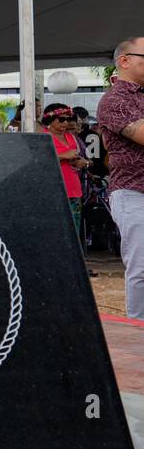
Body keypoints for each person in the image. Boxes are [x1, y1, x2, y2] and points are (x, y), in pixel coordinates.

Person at [95, 37, 144, 318]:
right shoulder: (115, 100)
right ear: (124, 61)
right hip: (134, 192)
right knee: (141, 266)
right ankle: (139, 330)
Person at [42, 104, 92, 271]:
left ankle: (71, 266)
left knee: (73, 230)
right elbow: (38, 160)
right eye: (61, 119)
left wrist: (80, 162)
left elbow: (75, 158)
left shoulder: (71, 138)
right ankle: (53, 265)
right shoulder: (43, 136)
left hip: (73, 187)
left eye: (67, 119)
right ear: (50, 119)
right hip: (53, 190)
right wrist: (63, 156)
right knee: (54, 229)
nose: (65, 123)